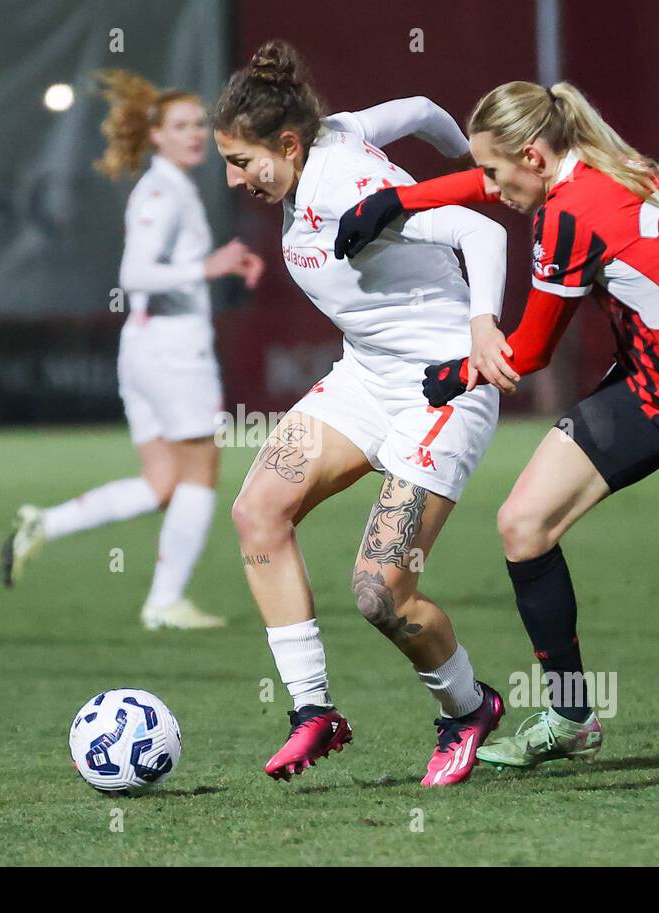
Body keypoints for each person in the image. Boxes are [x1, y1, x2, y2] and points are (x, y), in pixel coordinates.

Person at [334, 80, 659, 781]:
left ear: (533, 156)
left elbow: (530, 353)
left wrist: (459, 375)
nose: (486, 183)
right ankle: (573, 717)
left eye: (493, 168)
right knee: (524, 524)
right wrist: (402, 199)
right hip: (650, 385)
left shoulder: (571, 216)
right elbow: (500, 189)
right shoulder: (599, 165)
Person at [212, 40, 509, 786]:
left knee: (381, 592)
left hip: (441, 388)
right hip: (367, 379)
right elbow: (422, 109)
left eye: (242, 162)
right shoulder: (335, 129)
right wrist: (460, 151)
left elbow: (484, 229)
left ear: (286, 144)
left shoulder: (342, 187)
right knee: (258, 514)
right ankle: (313, 711)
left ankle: (467, 710)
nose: (233, 178)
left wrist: (481, 328)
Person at [1, 70, 264, 631]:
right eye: (182, 126)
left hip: (144, 347)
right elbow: (136, 272)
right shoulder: (163, 191)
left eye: (201, 123)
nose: (197, 134)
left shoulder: (170, 189)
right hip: (173, 351)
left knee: (160, 483)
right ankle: (165, 602)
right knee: (200, 474)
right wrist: (208, 266)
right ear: (155, 136)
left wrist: (220, 259)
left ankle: (45, 523)